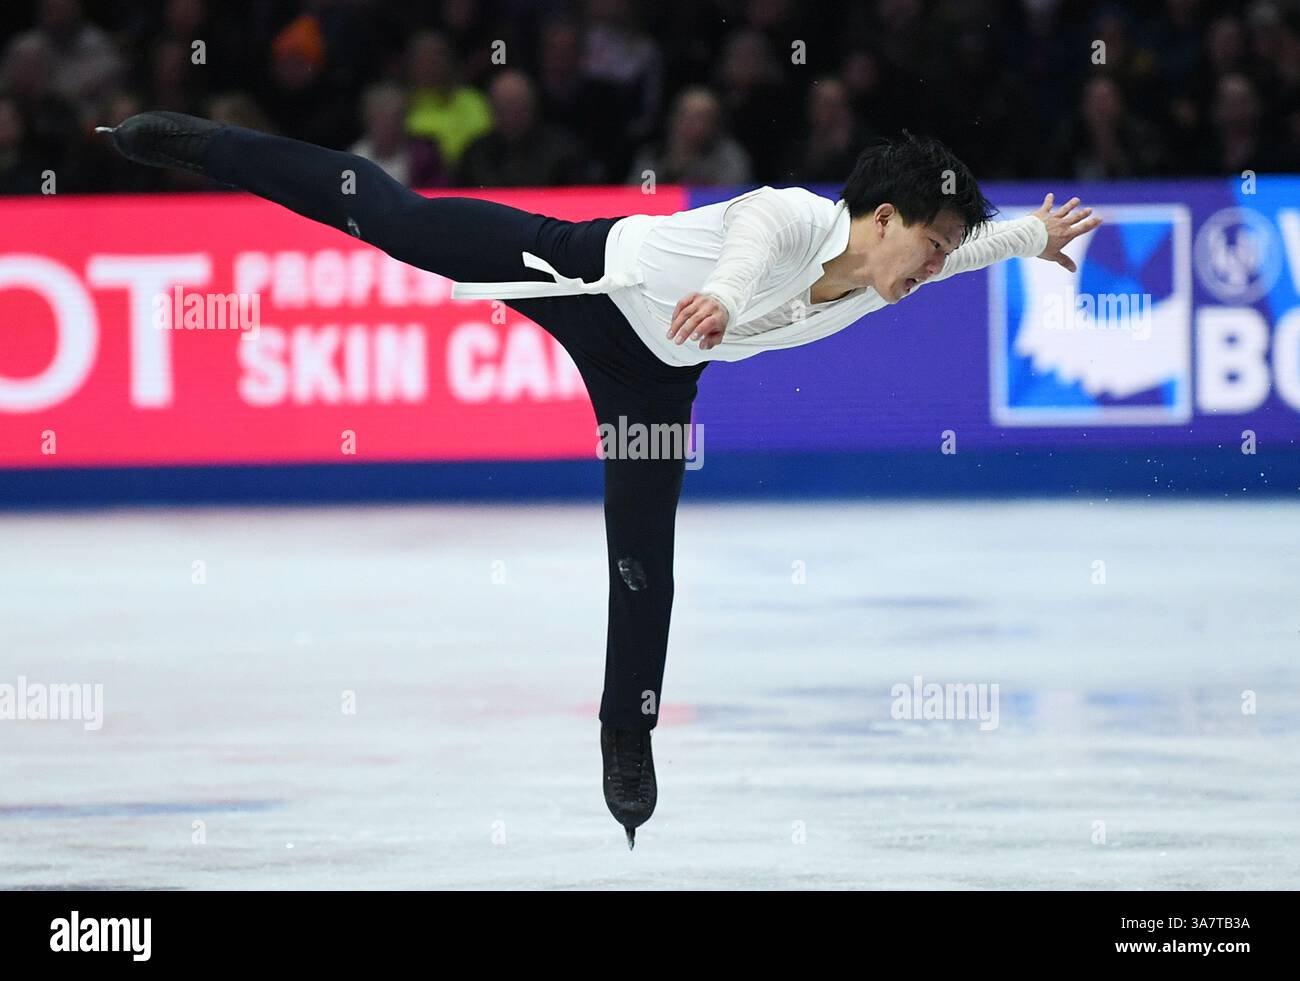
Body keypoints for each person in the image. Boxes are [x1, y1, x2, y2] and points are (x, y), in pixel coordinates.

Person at [98, 114, 1099, 847]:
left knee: (643, 564)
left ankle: (628, 728)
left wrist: (1035, 238)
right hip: (583, 274)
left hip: (654, 377)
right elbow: (751, 244)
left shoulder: (901, 266)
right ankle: (200, 147)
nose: (928, 271)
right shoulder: (792, 218)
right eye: (924, 248)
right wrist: (718, 292)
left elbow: (973, 247)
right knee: (396, 219)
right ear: (883, 216)